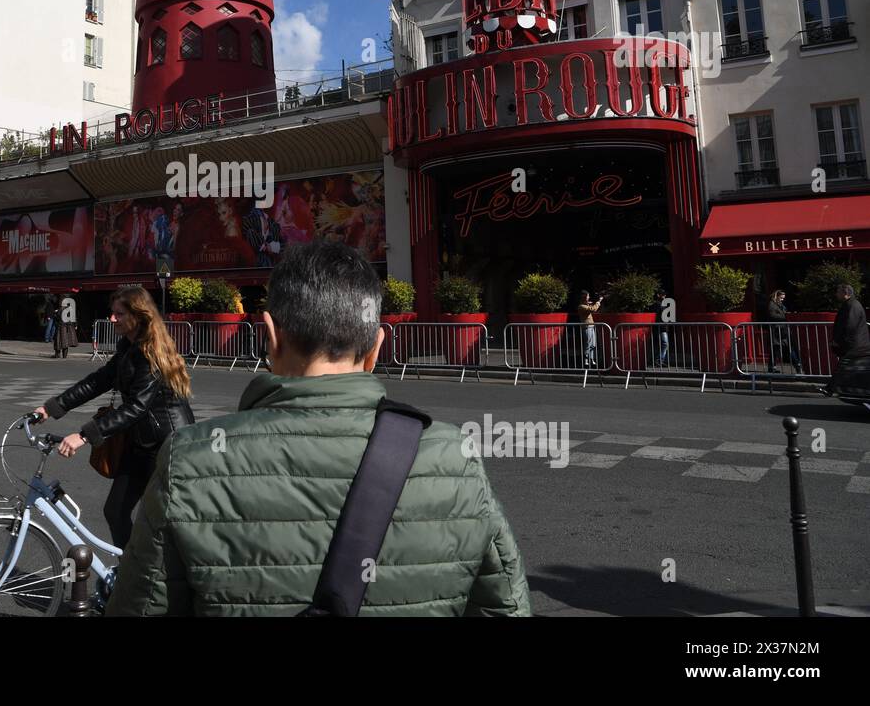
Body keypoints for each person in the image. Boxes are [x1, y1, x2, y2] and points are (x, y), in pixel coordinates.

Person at [105, 239, 530, 616]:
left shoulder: (190, 460)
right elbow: (505, 604)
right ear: (377, 347)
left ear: (269, 337)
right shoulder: (454, 456)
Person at [32, 285, 194, 548]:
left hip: (167, 445)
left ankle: (161, 579)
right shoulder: (128, 346)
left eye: (119, 314)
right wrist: (51, 408)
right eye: (113, 312)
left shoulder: (150, 351)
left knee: (163, 521)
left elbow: (137, 406)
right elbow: (99, 381)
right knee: (116, 511)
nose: (112, 318)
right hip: (140, 441)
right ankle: (128, 574)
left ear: (137, 315)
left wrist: (84, 435)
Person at [827, 283, 870, 398]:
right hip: (855, 344)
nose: (836, 294)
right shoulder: (850, 304)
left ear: (845, 293)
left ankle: (831, 388)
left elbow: (850, 326)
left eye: (838, 292)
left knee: (844, 366)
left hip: (855, 345)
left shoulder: (852, 305)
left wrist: (839, 341)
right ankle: (830, 388)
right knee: (845, 367)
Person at [765, 290, 804, 374]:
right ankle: (796, 364)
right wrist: (786, 316)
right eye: (781, 298)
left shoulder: (780, 305)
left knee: (783, 349)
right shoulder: (772, 304)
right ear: (777, 296)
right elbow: (772, 315)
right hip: (776, 331)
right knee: (777, 349)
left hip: (782, 330)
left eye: (783, 298)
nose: (782, 299)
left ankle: (796, 364)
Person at [578, 290, 603, 368]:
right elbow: (593, 309)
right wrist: (598, 302)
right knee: (588, 344)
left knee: (593, 344)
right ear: (584, 297)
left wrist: (591, 303)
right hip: (587, 327)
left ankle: (591, 359)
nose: (589, 298)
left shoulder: (585, 305)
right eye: (588, 296)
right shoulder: (581, 306)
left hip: (591, 326)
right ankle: (586, 360)